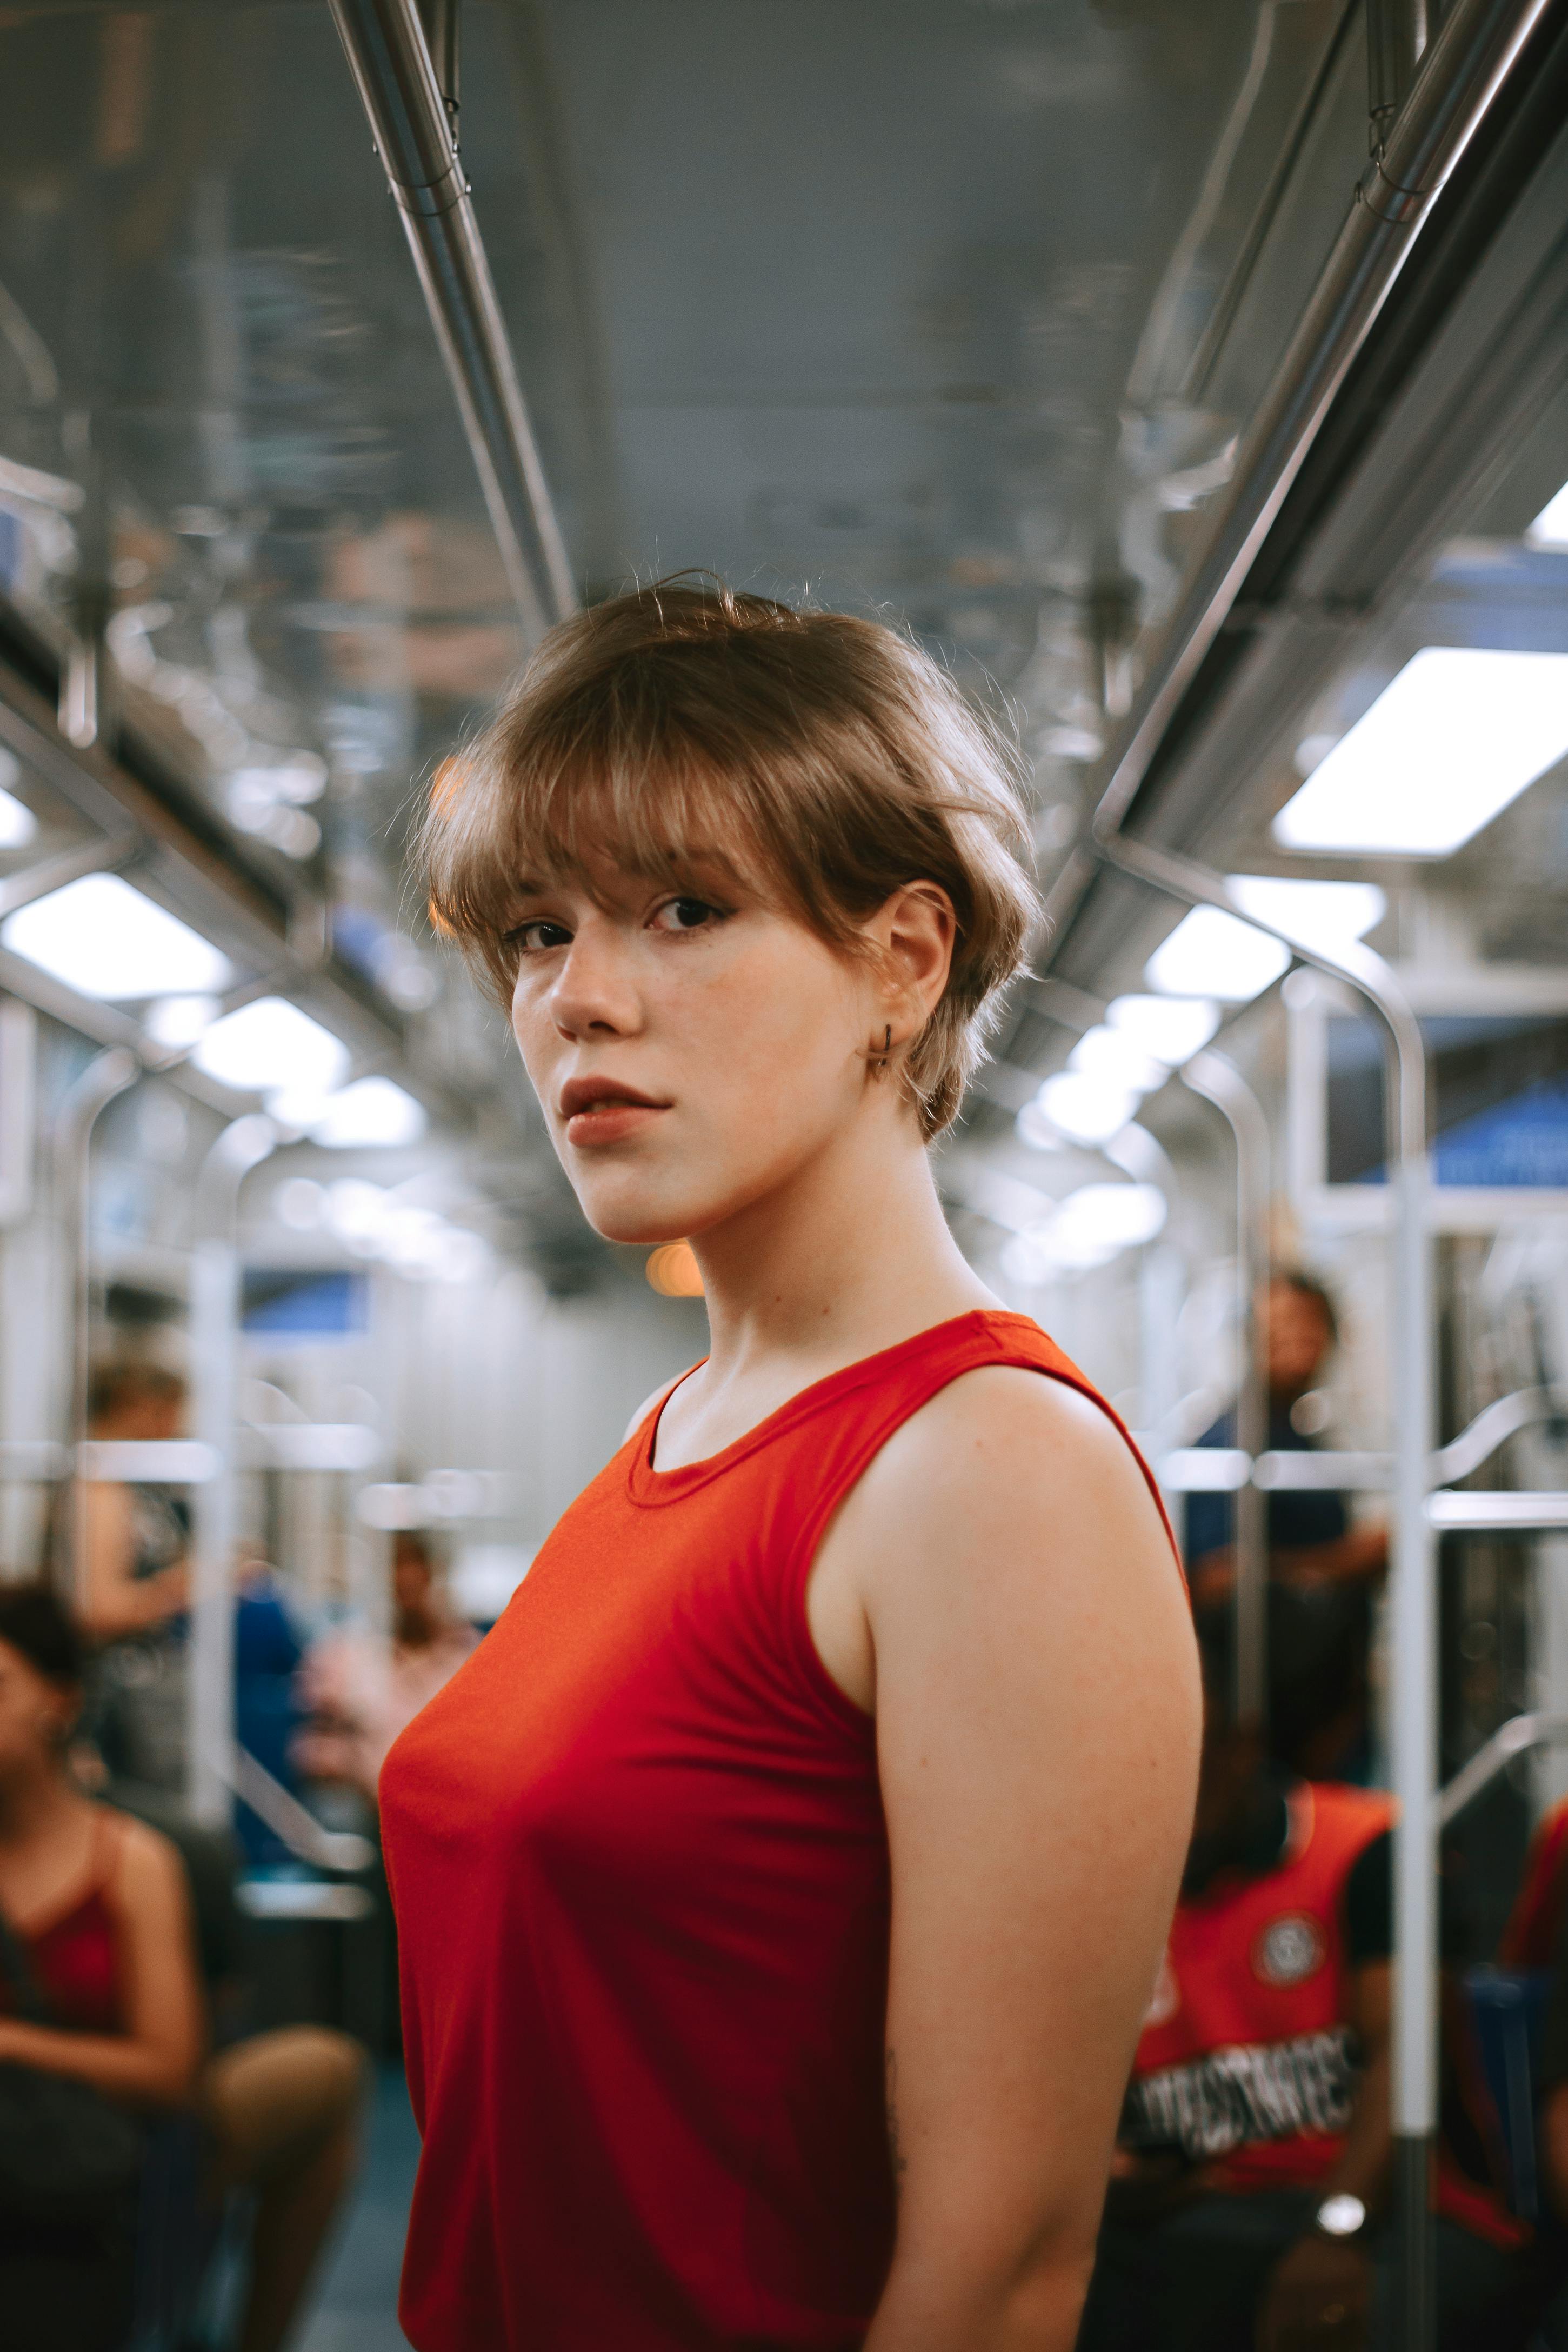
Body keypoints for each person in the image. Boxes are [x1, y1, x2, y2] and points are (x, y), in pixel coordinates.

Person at [379, 579, 1200, 2352]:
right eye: (536, 932)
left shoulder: (990, 1471)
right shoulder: (670, 1434)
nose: (581, 1000)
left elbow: (990, 2283)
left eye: (684, 910)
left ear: (902, 962)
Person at [1080, 1611, 1529, 2352]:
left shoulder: (1362, 1849)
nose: (1154, 1786)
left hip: (1384, 2206)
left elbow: (1403, 2050)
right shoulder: (1099, 1882)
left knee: (1357, 2312)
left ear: (1240, 1745)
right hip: (1197, 2215)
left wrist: (1337, 2224)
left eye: (1179, 1754)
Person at [0, 1580, 365, 2352]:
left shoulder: (133, 1858)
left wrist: (13, 2044)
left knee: (326, 2073)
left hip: (114, 2149)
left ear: (60, 1699)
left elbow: (168, 2068)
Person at [1186, 1271, 1388, 1777]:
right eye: (1279, 1324)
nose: (1298, 1339)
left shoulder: (1300, 1437)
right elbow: (1215, 1578)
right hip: (1270, 1725)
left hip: (1323, 1713)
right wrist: (1351, 1559)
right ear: (1248, 1337)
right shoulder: (1227, 1443)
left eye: (1310, 1324)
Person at [76, 1362, 193, 1795]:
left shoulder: (133, 1485)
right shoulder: (100, 1488)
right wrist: (185, 1584)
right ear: (140, 1409)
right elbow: (99, 1607)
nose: (177, 1428)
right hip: (119, 1698)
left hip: (146, 1694)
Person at [295, 1532, 477, 1802]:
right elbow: (314, 1744)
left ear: (431, 1576)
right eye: (396, 1568)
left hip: (447, 1802)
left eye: (415, 1568)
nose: (406, 1580)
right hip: (369, 1805)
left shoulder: (466, 1654)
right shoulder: (346, 1653)